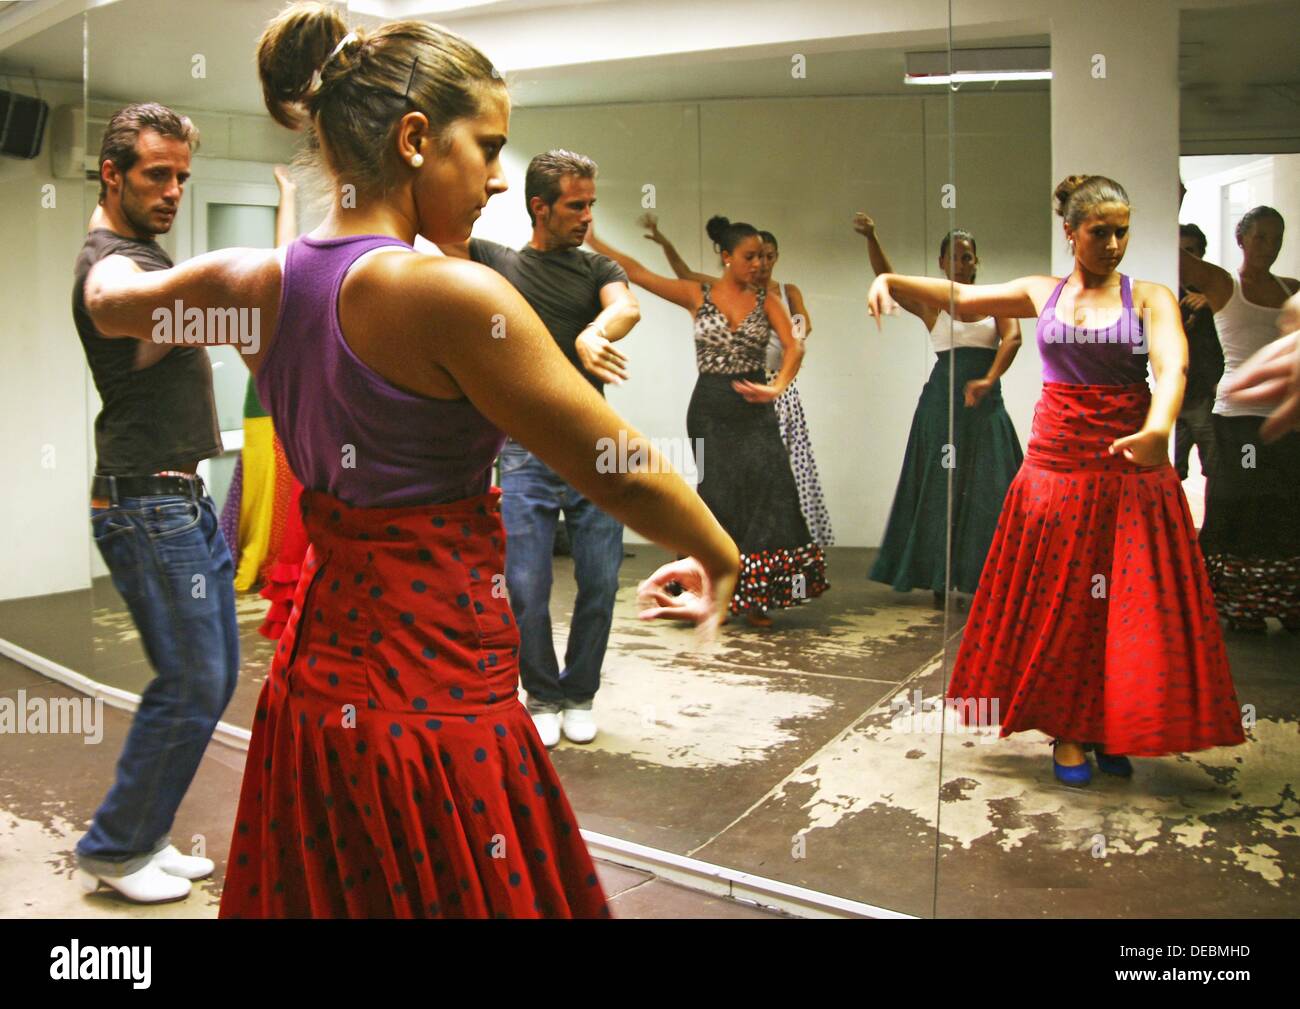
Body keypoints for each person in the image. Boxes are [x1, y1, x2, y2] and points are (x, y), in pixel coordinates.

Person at [83, 3, 739, 918]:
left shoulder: (256, 283)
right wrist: (720, 554)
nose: (501, 180)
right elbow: (610, 460)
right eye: (490, 147)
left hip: (314, 688)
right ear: (418, 137)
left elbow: (116, 301)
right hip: (432, 688)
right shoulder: (446, 294)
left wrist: (105, 250)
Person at [868, 174, 1245, 786]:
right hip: (1055, 470)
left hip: (1127, 468)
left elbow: (1172, 365)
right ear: (1071, 233)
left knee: (1126, 606)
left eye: (1123, 231)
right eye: (1101, 232)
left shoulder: (1150, 297)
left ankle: (1110, 724)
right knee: (1064, 603)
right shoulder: (1040, 291)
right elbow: (961, 296)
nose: (1115, 243)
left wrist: (1159, 427)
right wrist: (890, 278)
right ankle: (1069, 732)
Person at [71, 103, 237, 902]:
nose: (173, 189)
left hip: (179, 497)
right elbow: (107, 289)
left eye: (181, 176)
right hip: (144, 504)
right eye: (155, 174)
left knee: (213, 675)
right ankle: (116, 844)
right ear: (112, 174)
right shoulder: (113, 260)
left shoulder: (144, 254)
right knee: (192, 679)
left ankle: (145, 834)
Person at [434, 149, 639, 749]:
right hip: (523, 450)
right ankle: (543, 694)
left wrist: (595, 333)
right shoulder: (496, 262)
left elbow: (625, 306)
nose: (587, 217)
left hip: (595, 446)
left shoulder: (597, 267)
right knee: (525, 587)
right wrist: (478, 179)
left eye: (591, 204)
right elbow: (437, 232)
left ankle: (581, 694)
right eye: (576, 206)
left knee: (600, 582)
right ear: (539, 207)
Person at [588, 215, 828, 626]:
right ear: (726, 257)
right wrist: (596, 240)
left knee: (767, 494)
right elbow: (641, 274)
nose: (758, 264)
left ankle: (756, 596)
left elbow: (794, 347)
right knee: (716, 495)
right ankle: (704, 587)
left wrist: (777, 388)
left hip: (755, 407)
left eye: (761, 257)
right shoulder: (697, 294)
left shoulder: (767, 300)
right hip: (711, 408)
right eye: (749, 257)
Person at [854, 212, 1023, 605]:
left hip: (984, 406)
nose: (962, 264)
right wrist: (872, 238)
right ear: (942, 263)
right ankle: (937, 576)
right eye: (955, 257)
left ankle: (989, 576)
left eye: (968, 257)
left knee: (991, 487)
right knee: (940, 489)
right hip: (941, 405)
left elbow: (1012, 340)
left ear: (976, 262)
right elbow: (891, 281)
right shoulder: (933, 304)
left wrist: (987, 380)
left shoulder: (998, 298)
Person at [641, 214, 835, 547]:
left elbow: (802, 332)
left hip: (777, 388)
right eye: (756, 256)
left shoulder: (784, 293)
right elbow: (685, 275)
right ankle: (728, 556)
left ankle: (775, 556)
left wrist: (786, 327)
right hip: (737, 391)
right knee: (728, 479)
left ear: (775, 258)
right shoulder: (723, 291)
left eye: (769, 256)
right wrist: (664, 242)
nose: (763, 263)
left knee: (779, 475)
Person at [1181, 206, 1300, 632]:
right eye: (1261, 237)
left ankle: (1284, 602)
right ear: (1243, 240)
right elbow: (1181, 261)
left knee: (1285, 506)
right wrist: (1172, 199)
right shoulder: (1223, 284)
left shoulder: (1293, 289)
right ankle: (1238, 605)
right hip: (1238, 418)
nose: (1270, 246)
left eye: (1277, 237)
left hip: (1286, 420)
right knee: (1241, 499)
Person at [220, 164, 310, 640]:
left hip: (298, 406)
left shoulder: (314, 301)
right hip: (264, 404)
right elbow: (283, 252)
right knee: (263, 484)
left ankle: (285, 564)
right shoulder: (277, 295)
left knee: (293, 490)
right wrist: (288, 195)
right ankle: (264, 561)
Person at [1173, 222, 1224, 483]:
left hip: (1205, 396)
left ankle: (1215, 525)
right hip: (1172, 398)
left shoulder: (1218, 292)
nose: (1188, 258)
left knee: (1218, 468)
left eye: (1192, 251)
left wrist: (1210, 303)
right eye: (1182, 251)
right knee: (1171, 472)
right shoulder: (1164, 294)